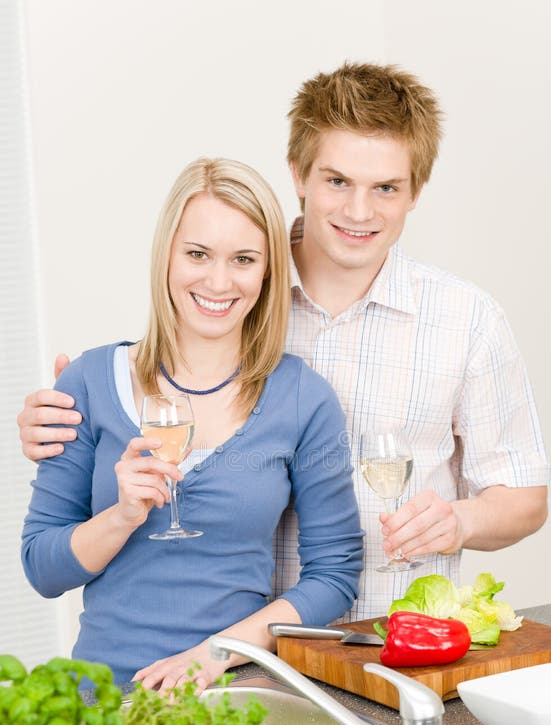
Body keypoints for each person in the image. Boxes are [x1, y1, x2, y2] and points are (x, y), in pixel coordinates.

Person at [18, 62, 549, 622]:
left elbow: (524, 500)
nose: (358, 211)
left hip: (395, 640)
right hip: (241, 658)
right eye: (337, 180)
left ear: (415, 192)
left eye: (386, 188)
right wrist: (73, 416)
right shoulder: (235, 291)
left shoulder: (468, 321)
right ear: (298, 174)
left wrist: (460, 522)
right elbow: (153, 390)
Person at [21, 157, 364, 689]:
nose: (218, 281)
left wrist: (215, 654)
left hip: (233, 699)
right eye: (198, 254)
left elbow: (333, 577)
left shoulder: (303, 399)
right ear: (167, 257)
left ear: (268, 271)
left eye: (244, 259)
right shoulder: (87, 382)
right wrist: (123, 516)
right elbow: (43, 571)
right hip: (101, 703)